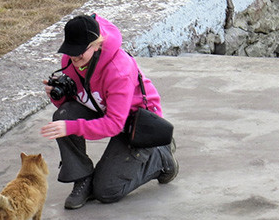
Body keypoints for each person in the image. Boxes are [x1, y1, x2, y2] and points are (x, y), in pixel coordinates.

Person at [40, 13, 178, 209]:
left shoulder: (118, 69)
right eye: (71, 51)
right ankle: (82, 178)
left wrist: (72, 127)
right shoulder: (70, 62)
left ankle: (160, 157)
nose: (75, 57)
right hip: (104, 110)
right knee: (64, 115)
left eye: (80, 51)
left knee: (107, 191)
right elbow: (77, 101)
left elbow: (114, 124)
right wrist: (59, 95)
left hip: (138, 123)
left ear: (97, 44)